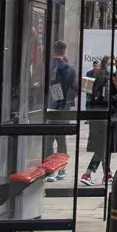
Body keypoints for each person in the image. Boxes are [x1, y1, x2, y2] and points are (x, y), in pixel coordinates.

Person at [80, 57, 115, 187]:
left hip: (99, 114)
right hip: (103, 115)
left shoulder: (102, 76)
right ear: (105, 65)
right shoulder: (105, 77)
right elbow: (105, 98)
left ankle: (107, 173)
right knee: (102, 147)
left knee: (103, 147)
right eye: (111, 64)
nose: (114, 66)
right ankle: (88, 173)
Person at [46, 42, 79, 180]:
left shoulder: (47, 66)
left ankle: (50, 169)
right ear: (64, 51)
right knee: (61, 139)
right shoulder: (69, 68)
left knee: (48, 139)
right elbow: (74, 87)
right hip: (63, 108)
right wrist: (67, 102)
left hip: (48, 107)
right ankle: (60, 168)